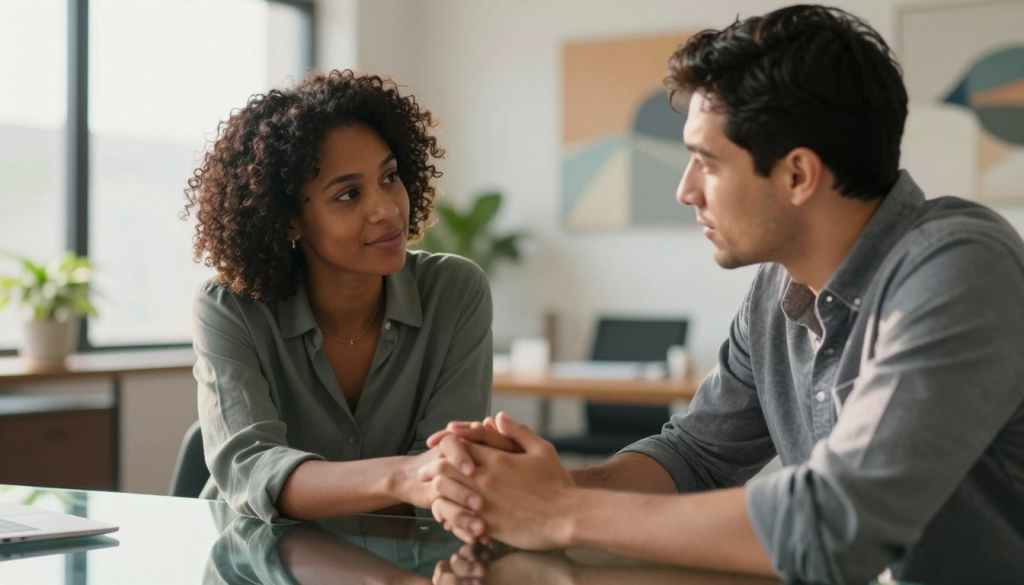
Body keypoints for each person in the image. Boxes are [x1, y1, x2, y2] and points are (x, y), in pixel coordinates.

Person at [421, 5, 1024, 584]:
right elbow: (697, 457)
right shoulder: (776, 288)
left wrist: (557, 512)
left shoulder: (960, 267)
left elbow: (840, 523)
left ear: (797, 175)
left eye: (705, 162)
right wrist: (524, 490)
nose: (686, 191)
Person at [182, 69, 493, 524]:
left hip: (399, 562)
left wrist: (421, 480)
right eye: (348, 194)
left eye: (389, 177)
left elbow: (450, 472)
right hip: (252, 561)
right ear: (289, 221)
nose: (386, 210)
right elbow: (252, 471)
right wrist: (404, 477)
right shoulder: (230, 307)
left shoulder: (454, 291)